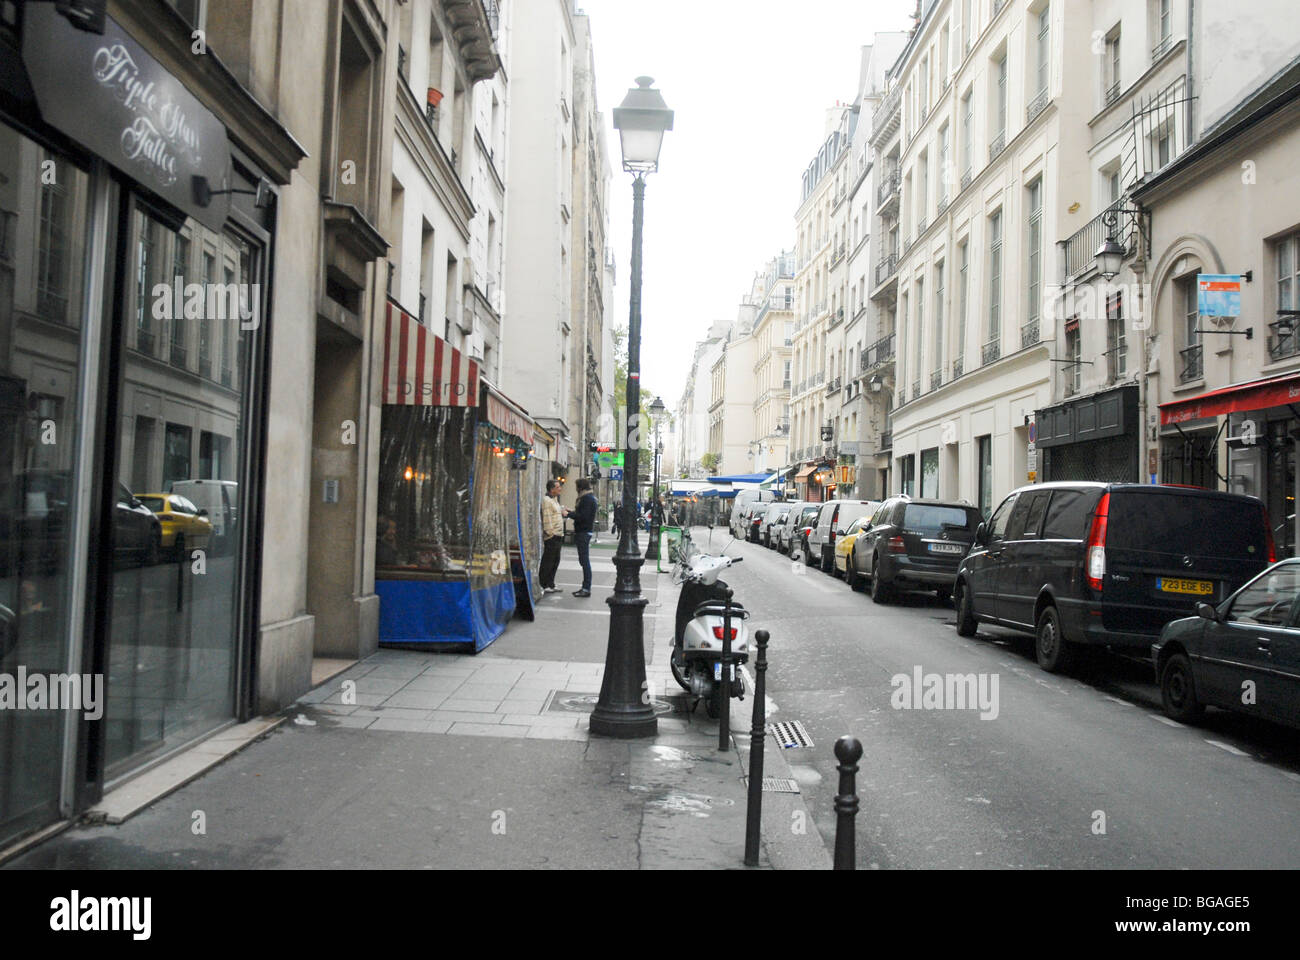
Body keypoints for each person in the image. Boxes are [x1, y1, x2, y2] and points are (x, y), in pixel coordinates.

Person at [571, 478, 598, 597]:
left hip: (583, 532)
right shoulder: (588, 498)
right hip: (584, 532)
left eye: (577, 486)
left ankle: (586, 588)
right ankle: (585, 587)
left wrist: (569, 514)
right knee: (583, 560)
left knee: (584, 561)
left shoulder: (587, 499)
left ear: (580, 487)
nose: (576, 489)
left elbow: (583, 516)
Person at [539, 479, 564, 594]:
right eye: (558, 487)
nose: (560, 489)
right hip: (552, 535)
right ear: (552, 489)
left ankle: (551, 583)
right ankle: (544, 584)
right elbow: (547, 517)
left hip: (558, 534)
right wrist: (550, 533)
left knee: (555, 560)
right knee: (548, 561)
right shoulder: (547, 500)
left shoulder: (555, 500)